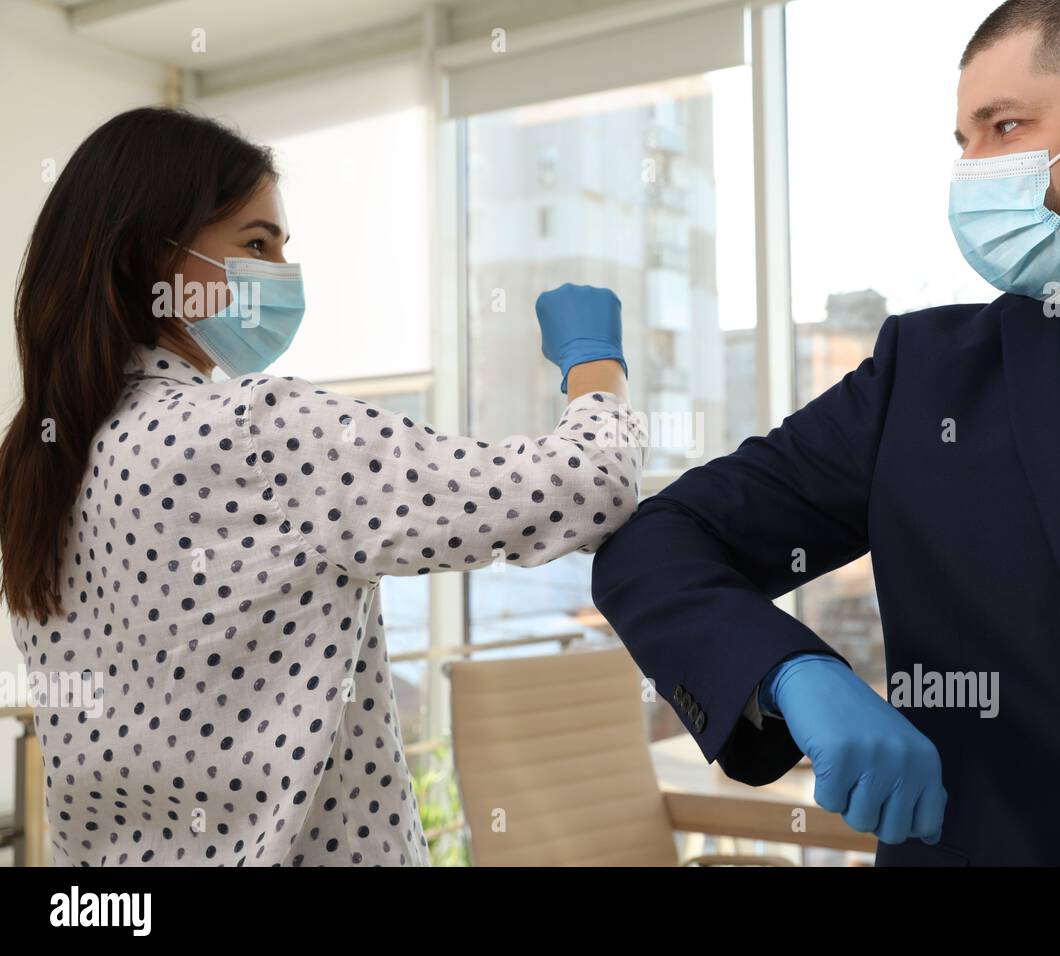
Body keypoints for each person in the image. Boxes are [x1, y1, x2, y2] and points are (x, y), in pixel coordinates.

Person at [593, 0, 1060, 865]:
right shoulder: (920, 377)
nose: (972, 175)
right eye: (963, 143)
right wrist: (789, 671)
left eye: (1004, 127)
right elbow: (659, 543)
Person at [0, 106, 642, 866]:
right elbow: (587, 487)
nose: (278, 276)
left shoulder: (39, 468)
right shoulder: (260, 429)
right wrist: (592, 363)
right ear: (148, 258)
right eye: (255, 244)